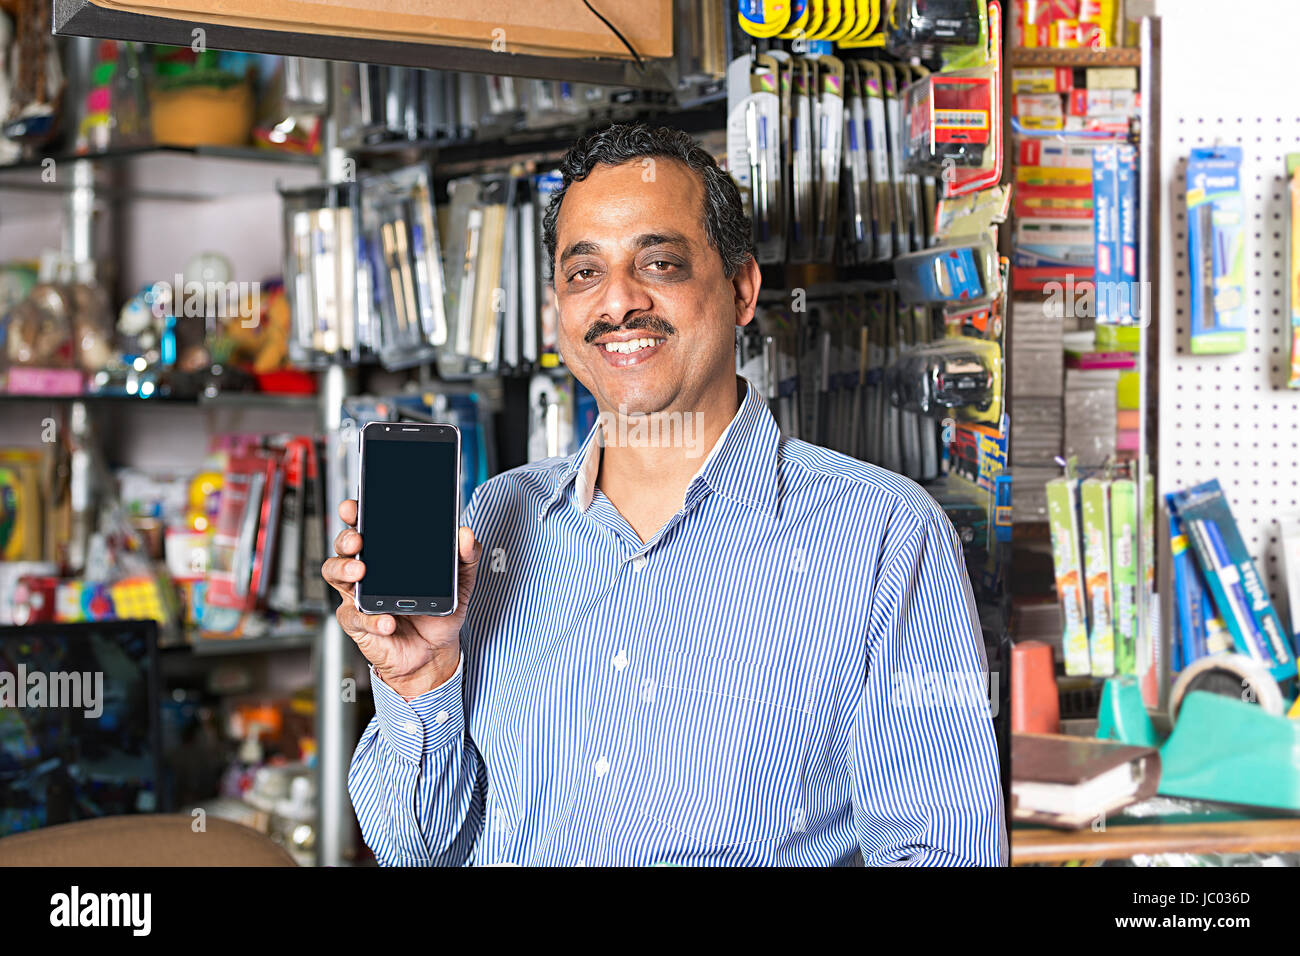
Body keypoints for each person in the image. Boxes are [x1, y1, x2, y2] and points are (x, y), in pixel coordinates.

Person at [323, 124, 1007, 866]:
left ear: (742, 289)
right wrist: (420, 681)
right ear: (559, 310)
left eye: (661, 262)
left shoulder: (883, 534)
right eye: (584, 273)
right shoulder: (497, 519)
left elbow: (944, 853)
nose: (619, 302)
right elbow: (416, 849)